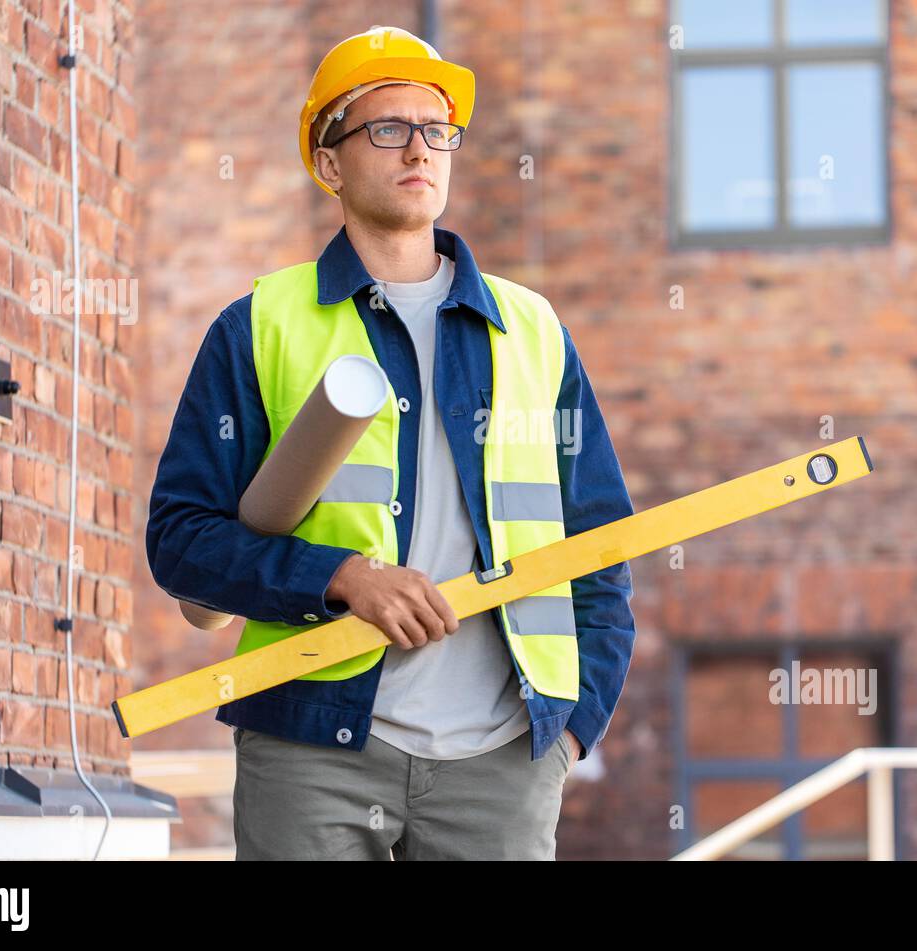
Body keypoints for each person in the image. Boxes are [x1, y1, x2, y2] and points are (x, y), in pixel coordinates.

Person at [145, 25, 637, 860]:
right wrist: (340, 577)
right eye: (387, 128)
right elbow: (182, 540)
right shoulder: (260, 325)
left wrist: (573, 727)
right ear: (329, 162)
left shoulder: (534, 330)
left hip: (503, 760)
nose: (420, 148)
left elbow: (601, 545)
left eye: (437, 130)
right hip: (311, 747)